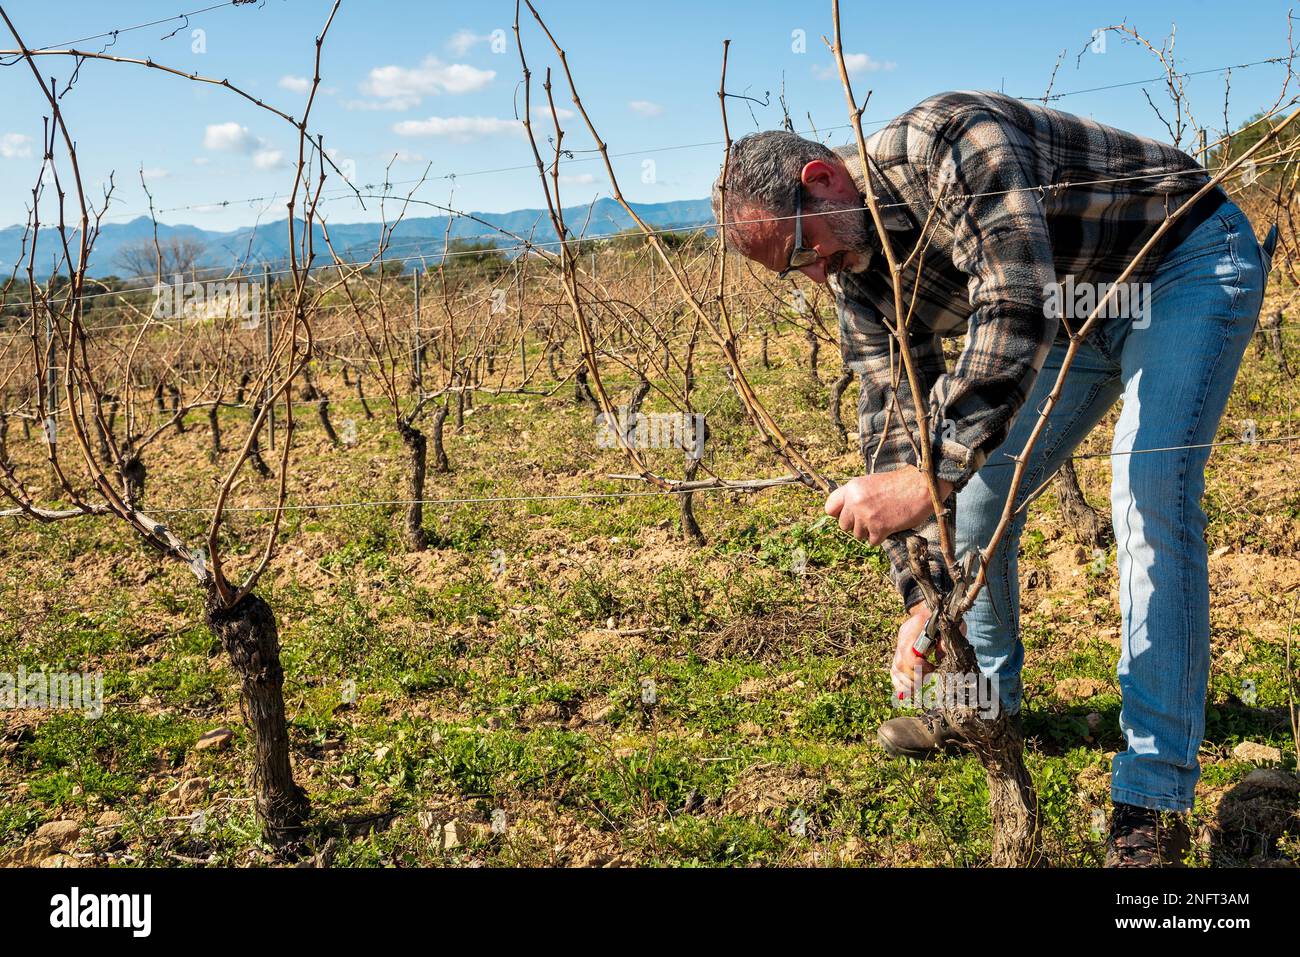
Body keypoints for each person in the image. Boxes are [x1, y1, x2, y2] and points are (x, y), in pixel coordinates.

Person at [712, 91, 1271, 867]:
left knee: (1147, 498)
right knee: (975, 497)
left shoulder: (949, 142)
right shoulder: (857, 279)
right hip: (1085, 312)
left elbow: (1015, 300)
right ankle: (978, 706)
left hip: (1183, 258)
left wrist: (930, 475)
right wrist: (920, 598)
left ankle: (1151, 800)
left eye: (804, 249)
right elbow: (890, 424)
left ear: (823, 179)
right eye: (791, 270)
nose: (814, 274)